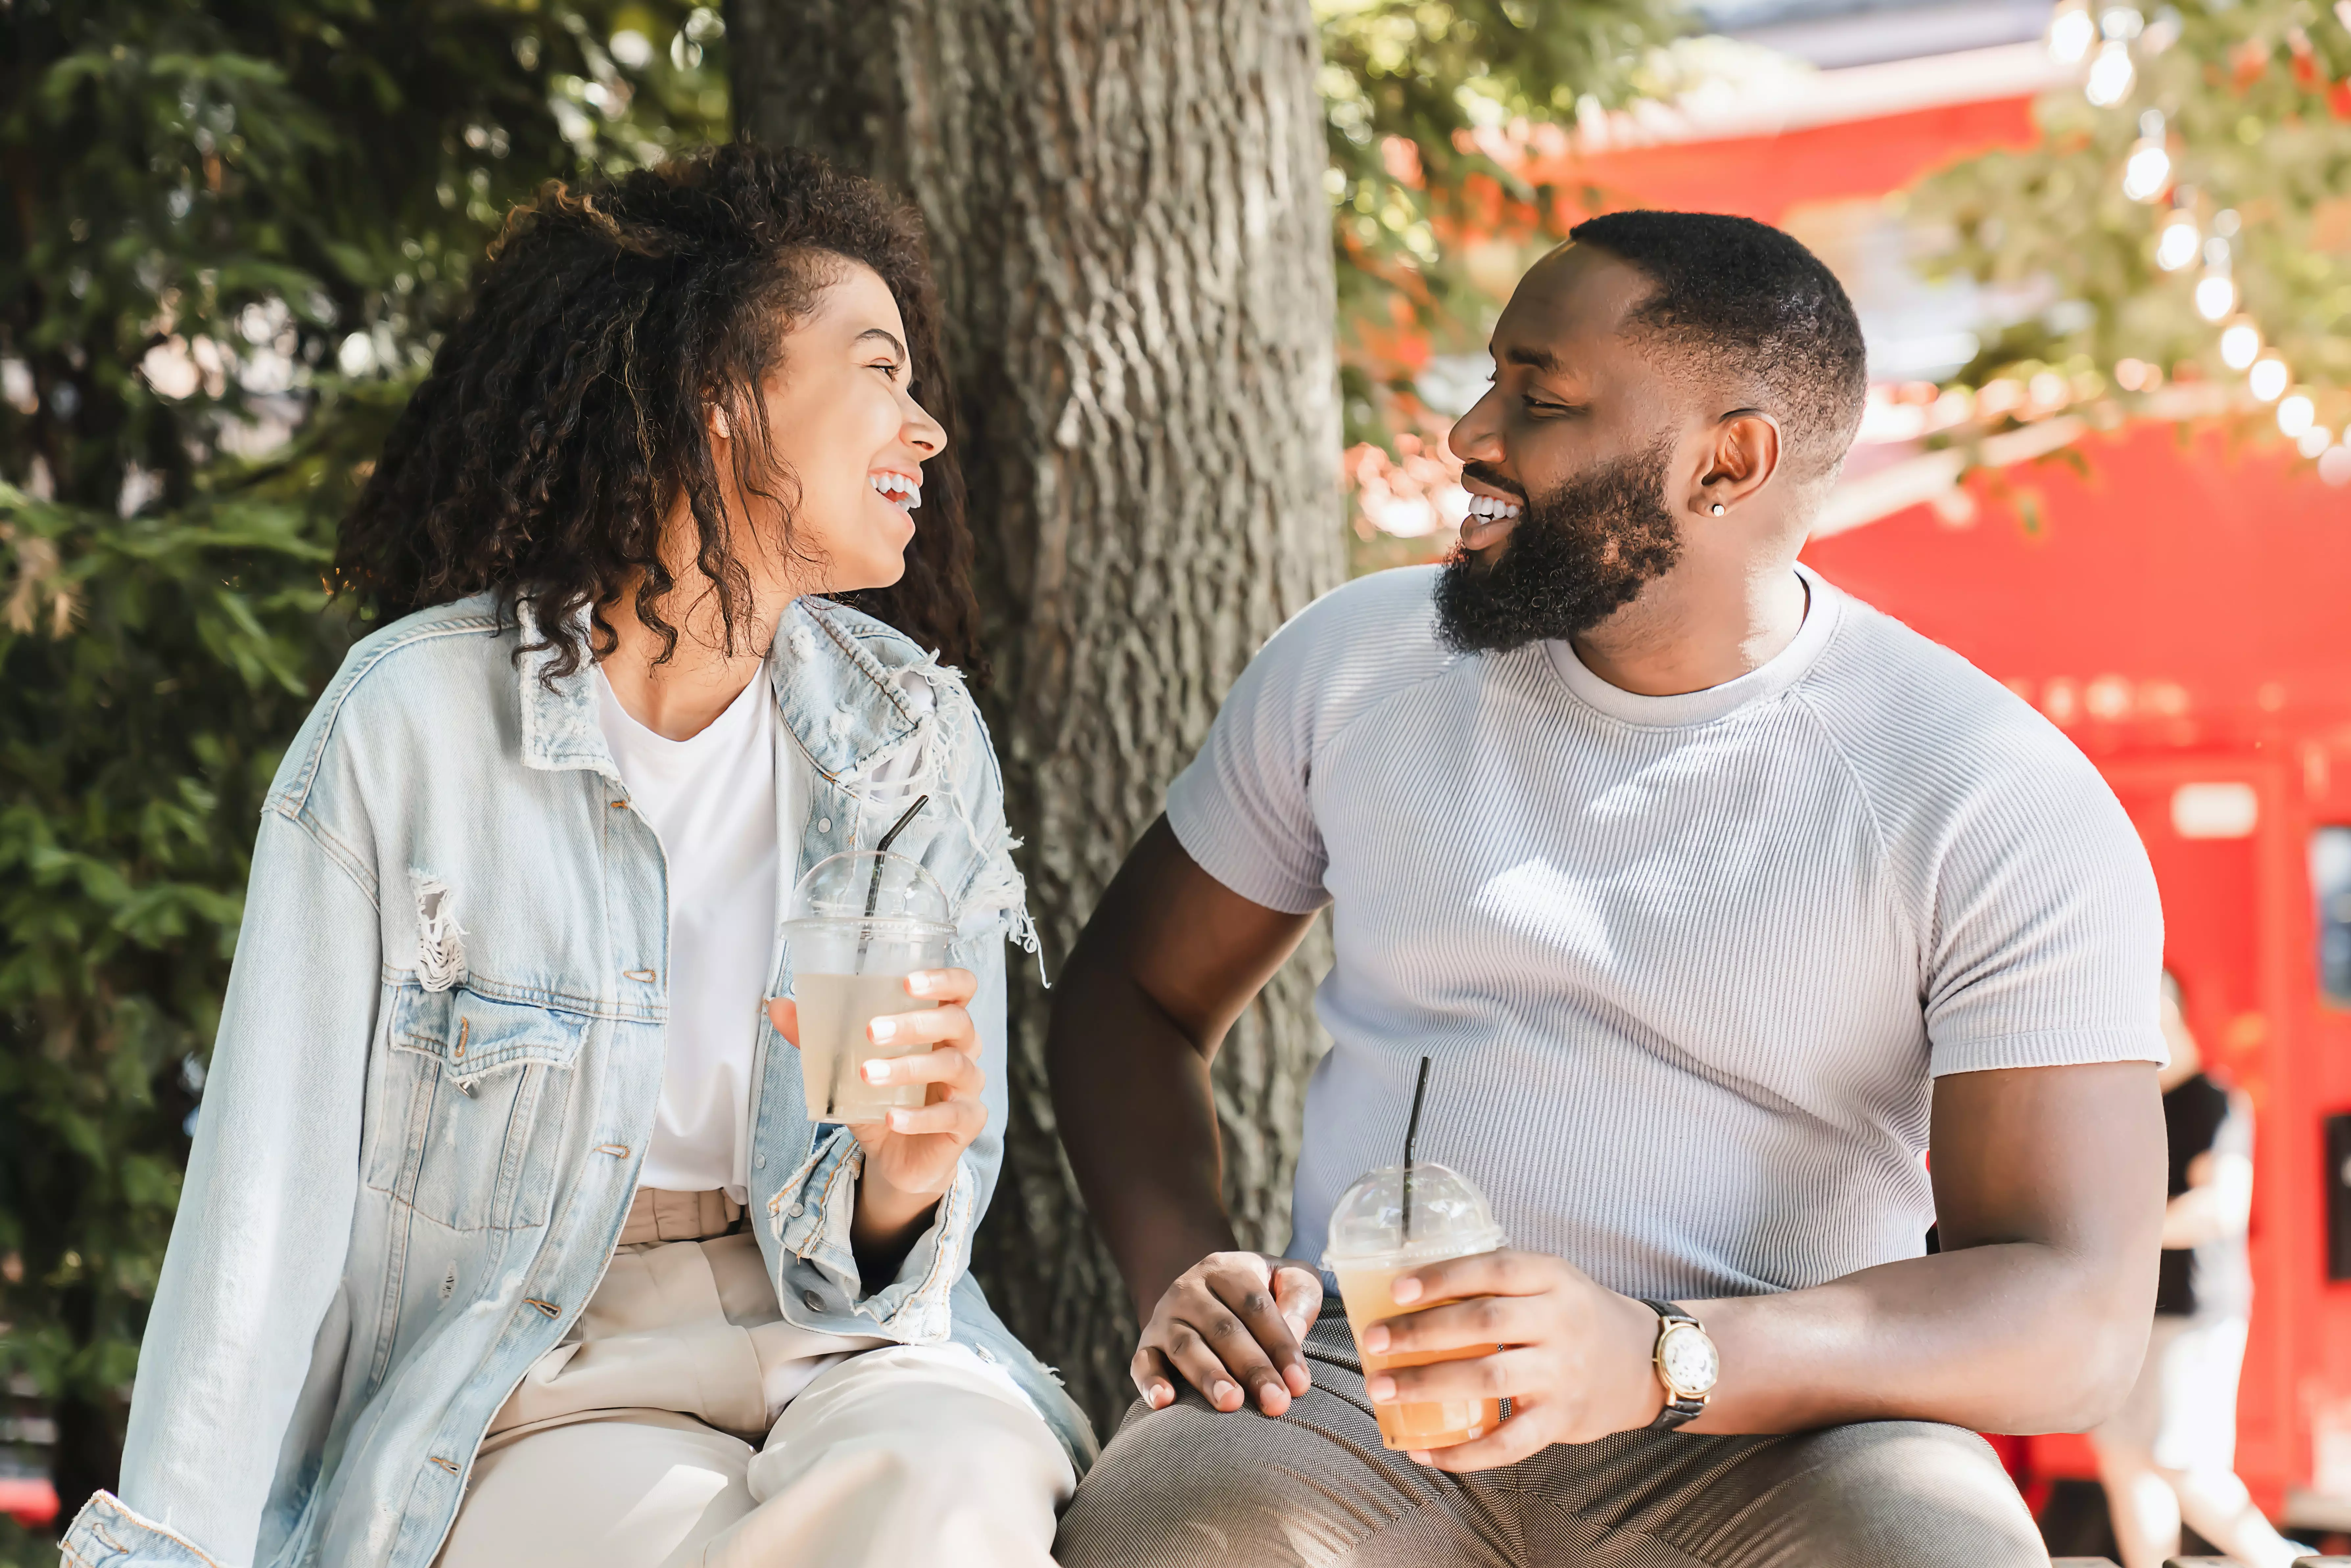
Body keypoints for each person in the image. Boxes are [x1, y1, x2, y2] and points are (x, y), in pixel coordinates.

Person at [1047, 211, 2170, 1568]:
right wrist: (1186, 1264)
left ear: (1728, 462)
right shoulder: (1354, 666)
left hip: (1783, 1425)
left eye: (1542, 399)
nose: (1471, 430)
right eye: (1492, 379)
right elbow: (1129, 994)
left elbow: (2077, 1310)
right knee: (1163, 1529)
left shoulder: (1988, 792)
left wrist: (1662, 1358)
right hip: (1352, 1392)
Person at [60, 145, 1090, 1568]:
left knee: (960, 1480)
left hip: (840, 1340)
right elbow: (266, 1201)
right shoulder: (414, 727)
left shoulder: (905, 745)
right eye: (880, 369)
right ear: (723, 398)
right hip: (542, 1361)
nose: (925, 428)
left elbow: (886, 1244)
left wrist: (906, 1179)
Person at [2092, 973, 2308, 1568]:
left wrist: (2118, 1237)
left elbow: (2221, 1207)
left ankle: (2286, 1563)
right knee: (2126, 1463)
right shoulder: (2137, 1108)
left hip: (2197, 1314)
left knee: (2181, 1463)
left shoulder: (2212, 1099)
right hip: (2136, 1316)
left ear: (2162, 1009)